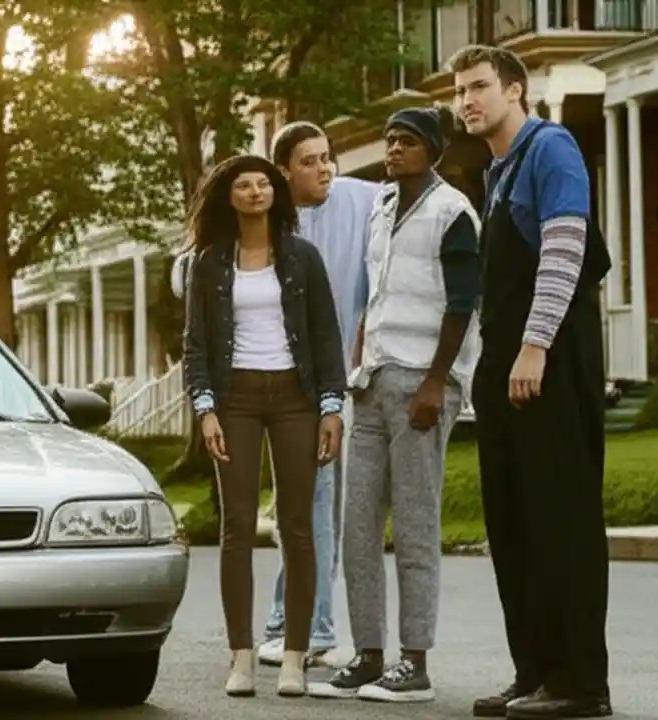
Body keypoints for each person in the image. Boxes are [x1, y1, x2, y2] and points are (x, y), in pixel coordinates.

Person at [450, 45, 613, 719]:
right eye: (460, 91)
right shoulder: (496, 170)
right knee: (514, 524)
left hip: (545, 360)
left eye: (480, 86)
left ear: (515, 90)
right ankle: (535, 673)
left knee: (560, 520)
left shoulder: (553, 148)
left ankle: (580, 684)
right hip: (505, 367)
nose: (467, 100)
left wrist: (535, 345)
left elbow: (566, 248)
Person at [308, 105, 482, 704]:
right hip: (374, 380)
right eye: (389, 140)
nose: (393, 149)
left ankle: (415, 662)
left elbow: (462, 305)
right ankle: (368, 654)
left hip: (423, 384)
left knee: (413, 525)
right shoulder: (383, 208)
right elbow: (373, 294)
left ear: (432, 151)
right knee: (358, 526)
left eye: (407, 141)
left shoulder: (452, 212)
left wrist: (438, 382)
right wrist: (357, 364)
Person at [182, 153, 347, 698]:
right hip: (236, 400)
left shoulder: (303, 257)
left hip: (296, 398)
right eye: (244, 185)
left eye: (263, 184)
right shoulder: (208, 263)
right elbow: (196, 346)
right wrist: (205, 408)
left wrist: (331, 407)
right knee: (237, 527)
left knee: (297, 526)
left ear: (275, 193)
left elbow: (326, 336)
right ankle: (242, 658)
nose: (255, 192)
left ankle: (296, 655)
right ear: (229, 197)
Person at [258, 121, 380, 669]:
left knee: (313, 503)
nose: (324, 167)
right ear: (285, 170)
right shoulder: (264, 217)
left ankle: (311, 626)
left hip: (333, 383)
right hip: (273, 381)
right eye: (309, 160)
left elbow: (420, 201)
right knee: (304, 505)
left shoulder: (361, 199)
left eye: (327, 156)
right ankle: (294, 619)